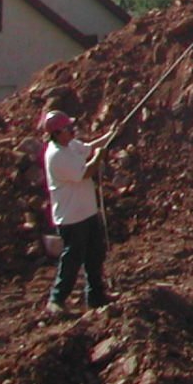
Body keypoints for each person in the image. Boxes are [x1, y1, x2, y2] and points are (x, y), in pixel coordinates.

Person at [42, 110, 112, 315]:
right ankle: (56, 299)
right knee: (72, 260)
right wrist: (99, 158)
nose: (73, 130)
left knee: (95, 256)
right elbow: (86, 172)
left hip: (87, 212)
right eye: (68, 128)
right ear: (57, 133)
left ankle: (97, 297)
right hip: (71, 218)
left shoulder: (70, 145)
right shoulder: (56, 156)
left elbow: (89, 148)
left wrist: (111, 135)